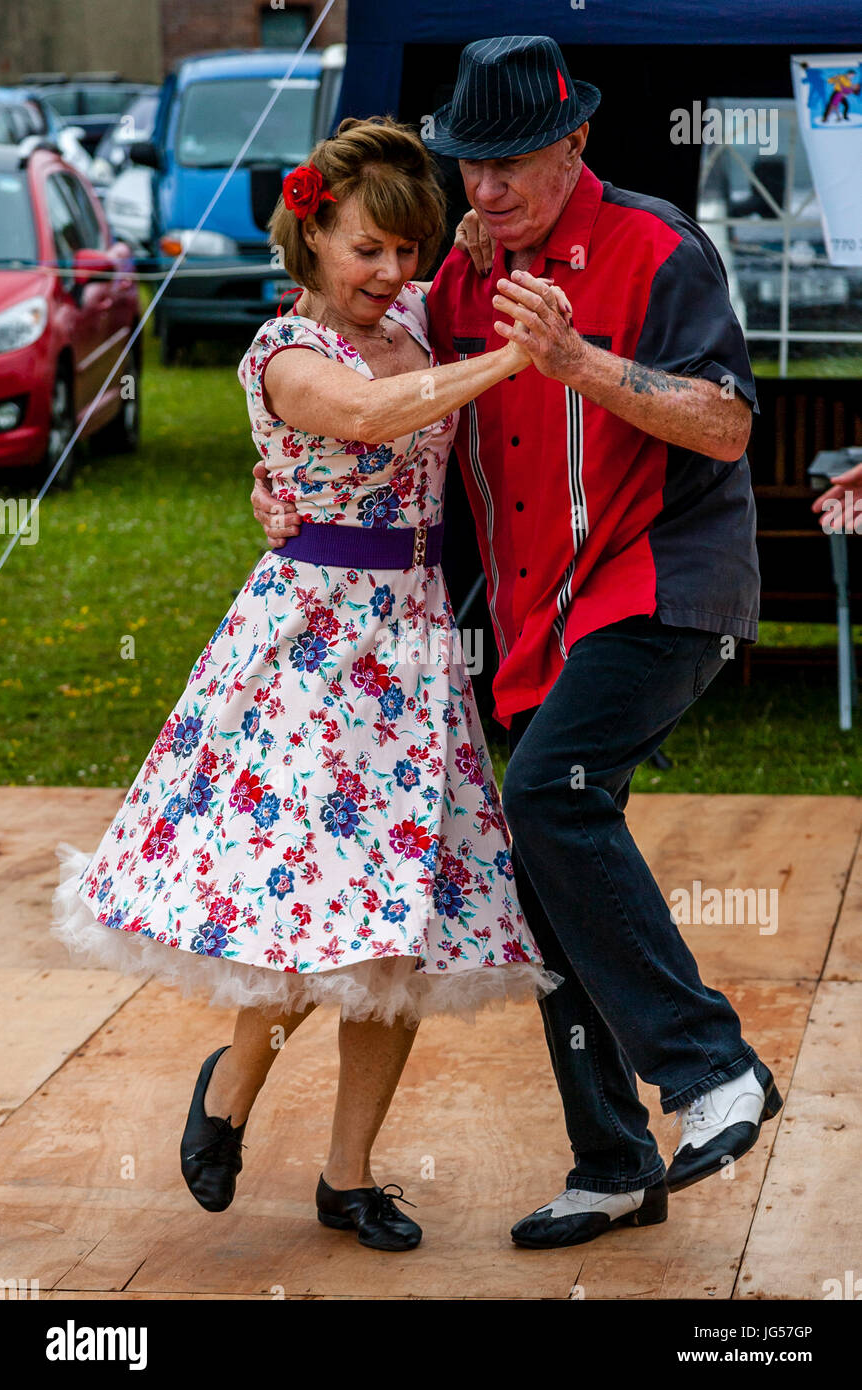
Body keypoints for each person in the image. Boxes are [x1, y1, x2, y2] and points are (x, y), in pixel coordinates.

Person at [253, 36, 784, 1251]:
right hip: (533, 616)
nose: (480, 192)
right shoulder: (449, 281)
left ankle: (710, 1070)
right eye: (467, 166)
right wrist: (286, 492)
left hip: (663, 585)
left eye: (507, 164)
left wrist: (576, 361)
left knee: (550, 793)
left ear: (574, 142)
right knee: (541, 871)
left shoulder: (655, 246)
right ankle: (610, 1160)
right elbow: (383, 419)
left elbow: (722, 426)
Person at [51, 114, 560, 1254]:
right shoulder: (285, 355)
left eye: (405, 252)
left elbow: (473, 245)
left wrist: (478, 225)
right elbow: (375, 418)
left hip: (415, 648)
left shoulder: (420, 316)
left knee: (397, 932)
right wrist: (521, 356)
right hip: (310, 650)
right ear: (313, 233)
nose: (393, 273)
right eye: (368, 250)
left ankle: (349, 1177)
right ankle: (228, 1090)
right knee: (304, 914)